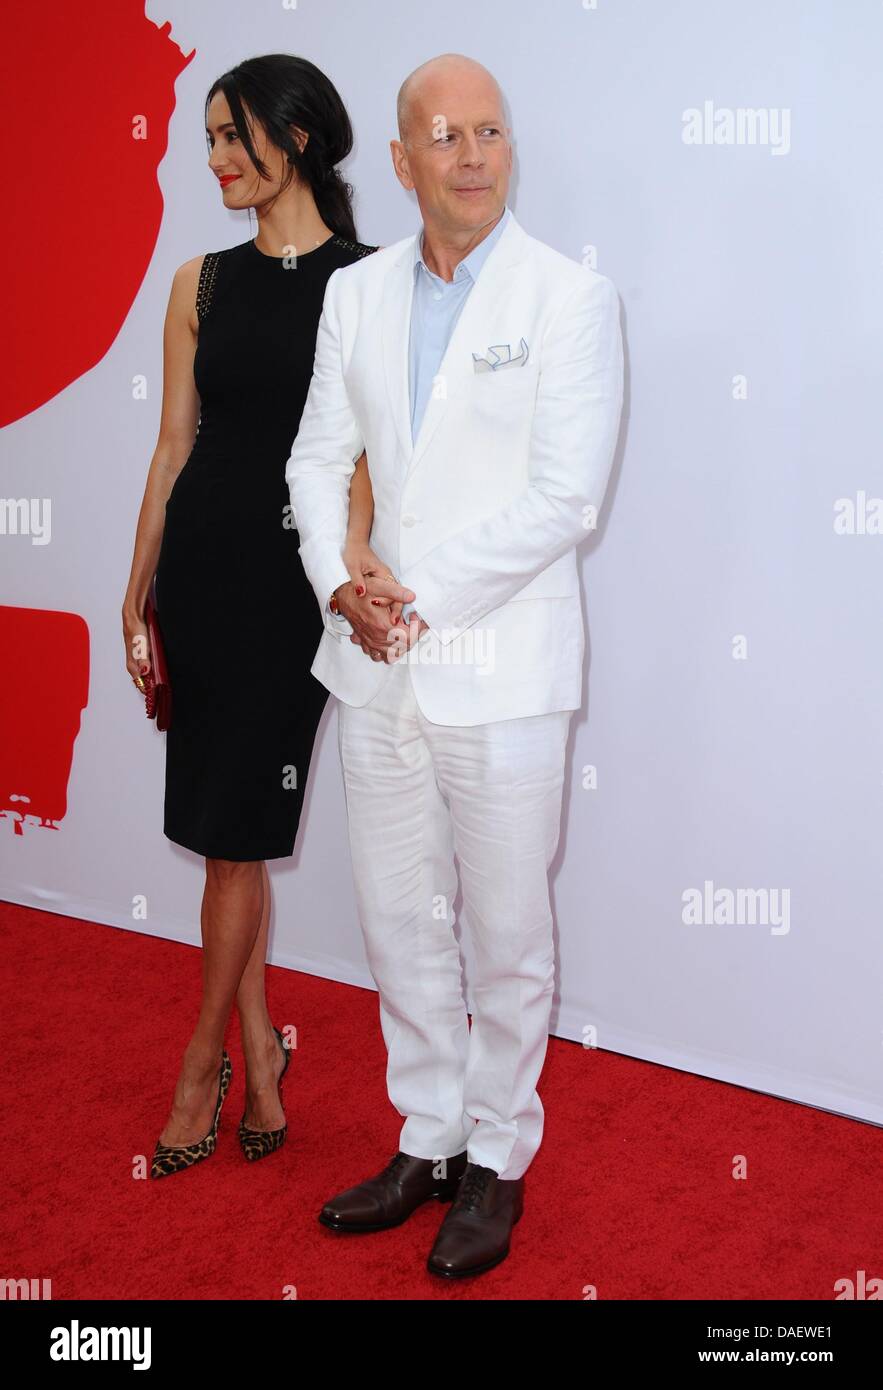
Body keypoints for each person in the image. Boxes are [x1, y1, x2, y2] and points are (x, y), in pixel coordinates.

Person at [287, 52, 624, 1276]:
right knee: (397, 923)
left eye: (490, 131)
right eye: (445, 134)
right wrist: (338, 578)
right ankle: (424, 1134)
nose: (473, 154)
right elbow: (316, 459)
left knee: (505, 930)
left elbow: (564, 500)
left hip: (501, 669)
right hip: (370, 664)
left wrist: (407, 596)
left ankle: (496, 1158)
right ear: (401, 160)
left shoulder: (569, 298)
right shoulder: (357, 295)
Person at [122, 55, 395, 1178]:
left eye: (235, 136)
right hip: (205, 571)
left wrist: (353, 559)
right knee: (227, 839)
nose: (218, 160)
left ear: (297, 136)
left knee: (235, 840)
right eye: (210, 141)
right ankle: (256, 1057)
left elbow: (372, 448)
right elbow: (173, 441)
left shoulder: (372, 281)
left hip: (301, 585)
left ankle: (204, 1062)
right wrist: (134, 583)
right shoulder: (200, 283)